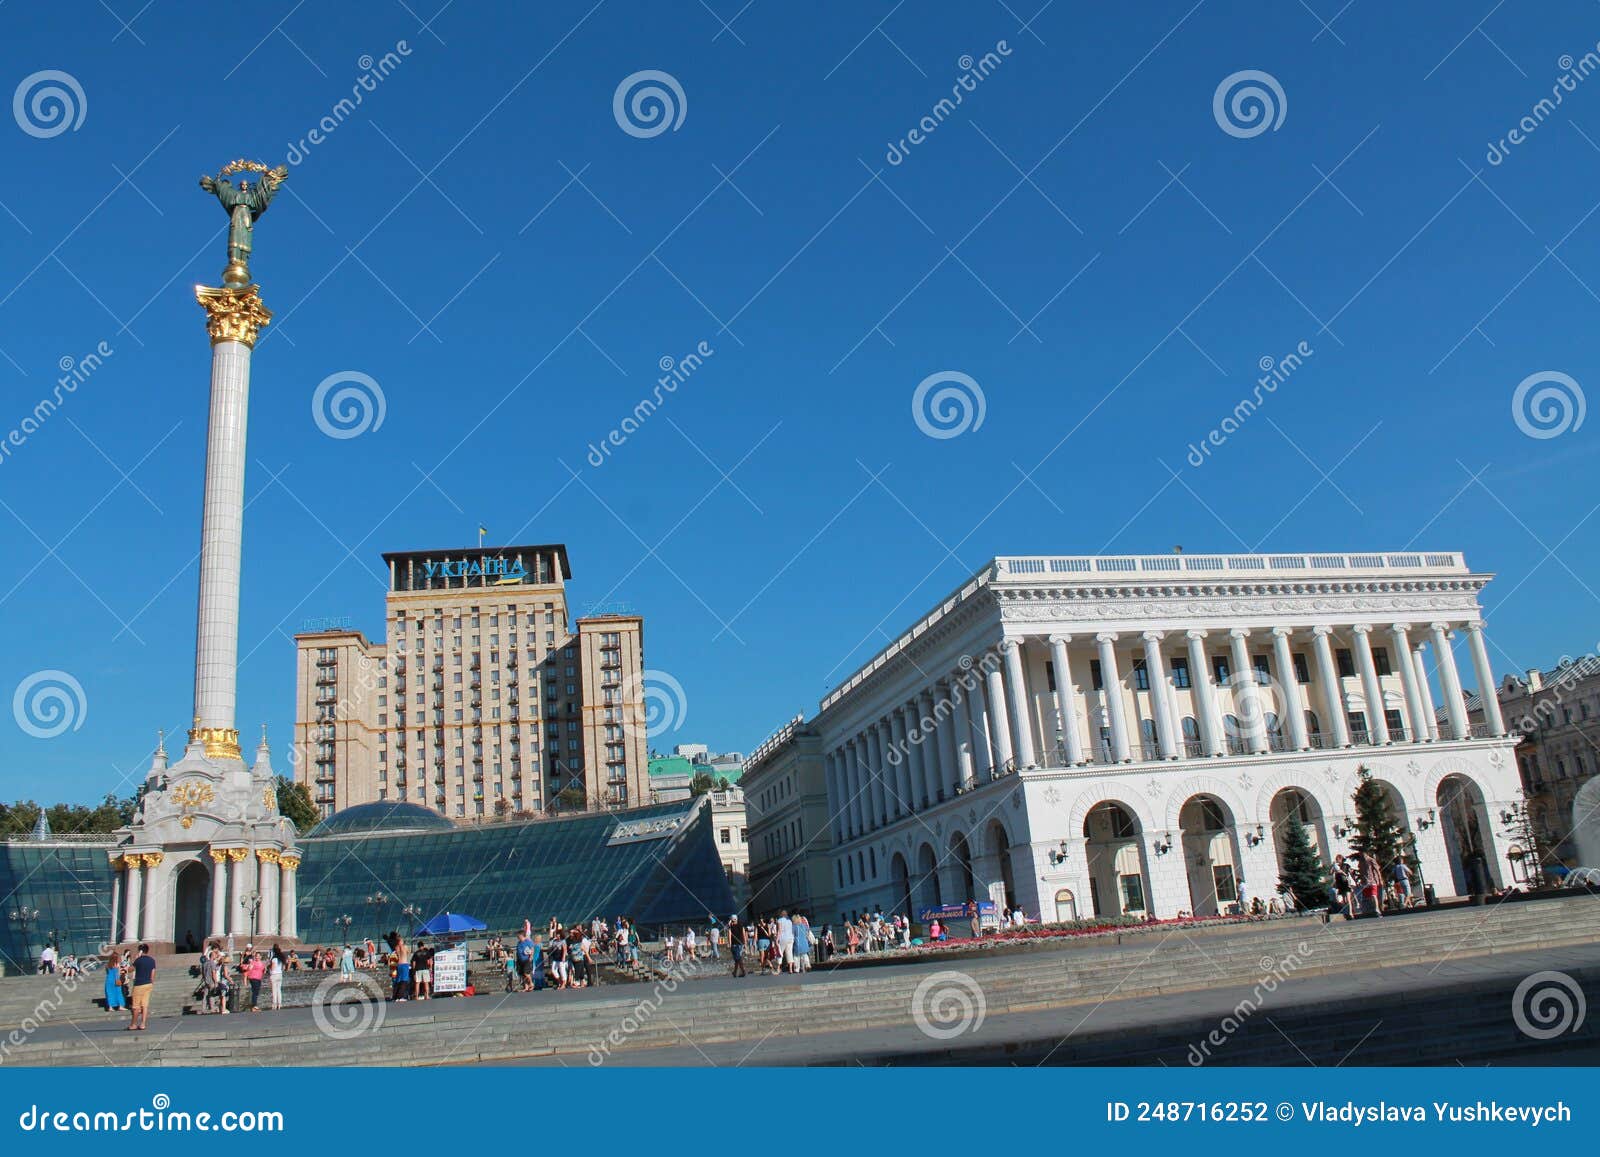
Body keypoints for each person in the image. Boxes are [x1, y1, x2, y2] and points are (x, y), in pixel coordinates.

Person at [128, 943, 156, 1031]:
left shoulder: (138, 960)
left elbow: (130, 970)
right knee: (145, 1005)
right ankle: (143, 1024)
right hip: (148, 984)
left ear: (140, 951)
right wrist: (151, 982)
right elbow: (153, 973)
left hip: (139, 984)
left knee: (136, 1006)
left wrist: (135, 959)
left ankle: (133, 1024)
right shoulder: (152, 960)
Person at [104, 950, 126, 1015]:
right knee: (118, 993)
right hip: (116, 980)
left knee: (109, 993)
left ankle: (110, 1007)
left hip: (108, 981)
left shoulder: (107, 965)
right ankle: (120, 1006)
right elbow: (118, 973)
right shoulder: (117, 964)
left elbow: (107, 973)